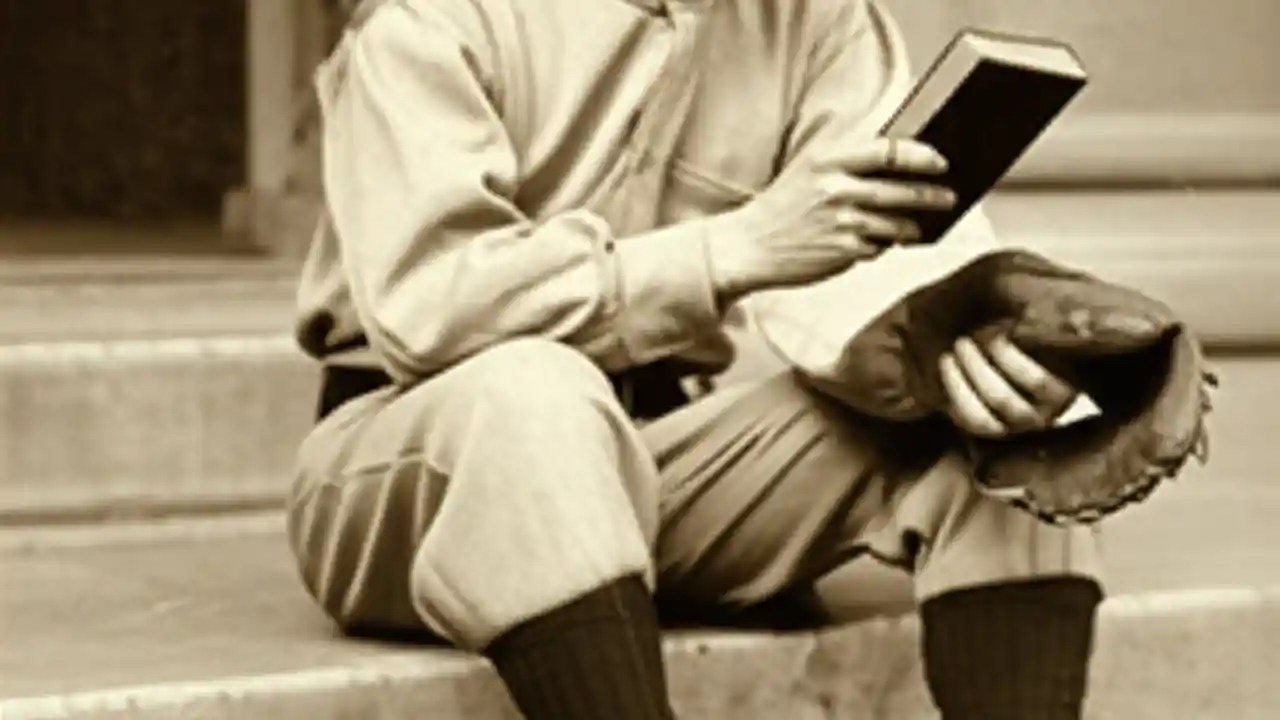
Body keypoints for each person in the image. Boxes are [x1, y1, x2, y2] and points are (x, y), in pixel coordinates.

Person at [286, 0, 1104, 718]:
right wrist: (730, 250)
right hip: (414, 470)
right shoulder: (434, 17)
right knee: (535, 390)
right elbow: (430, 309)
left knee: (993, 425)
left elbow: (883, 294)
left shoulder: (819, 21)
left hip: (658, 465)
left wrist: (972, 354)